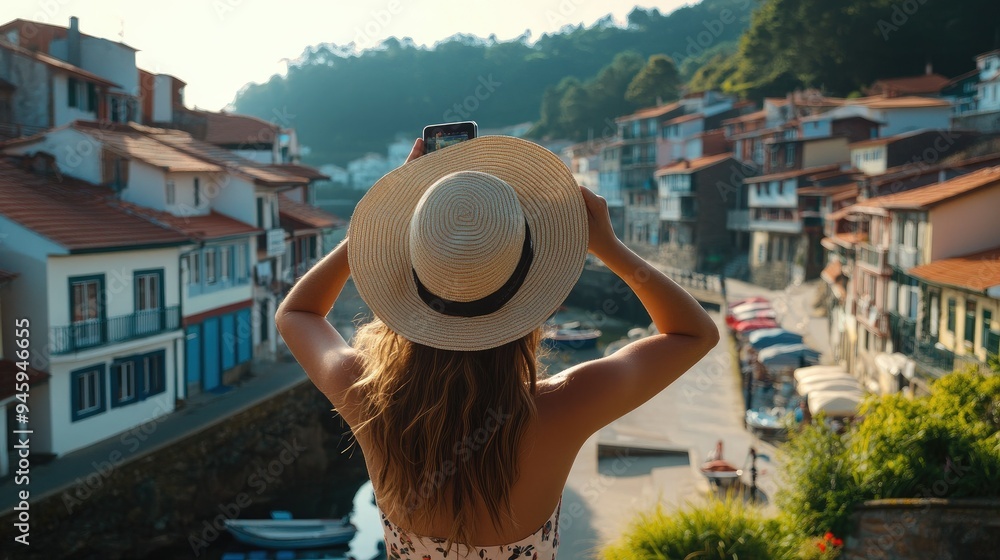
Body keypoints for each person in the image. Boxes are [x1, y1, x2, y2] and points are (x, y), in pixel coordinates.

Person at [275, 136, 719, 559]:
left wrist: (376, 226)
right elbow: (692, 333)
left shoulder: (367, 398)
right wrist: (608, 245)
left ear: (412, 279)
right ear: (528, 298)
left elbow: (297, 314)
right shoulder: (568, 404)